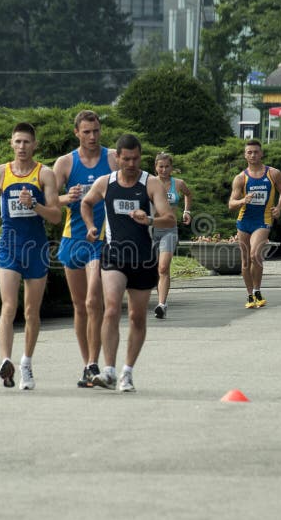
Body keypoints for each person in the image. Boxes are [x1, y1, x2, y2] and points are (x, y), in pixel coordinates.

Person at [80, 134, 175, 392]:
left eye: (135, 158)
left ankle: (127, 372)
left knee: (136, 317)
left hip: (143, 258)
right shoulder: (105, 183)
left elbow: (170, 218)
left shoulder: (151, 183)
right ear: (117, 158)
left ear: (140, 157)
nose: (131, 163)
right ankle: (108, 370)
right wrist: (90, 226)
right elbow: (86, 203)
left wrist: (151, 220)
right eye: (126, 159)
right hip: (113, 256)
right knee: (111, 308)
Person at [0, 122, 61, 391]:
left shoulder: (44, 175)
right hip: (10, 247)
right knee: (9, 306)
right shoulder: (0, 173)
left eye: (27, 142)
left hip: (35, 249)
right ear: (11, 144)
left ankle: (26, 363)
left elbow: (57, 216)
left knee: (30, 311)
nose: (22, 147)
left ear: (35, 145)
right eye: (17, 142)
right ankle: (5, 361)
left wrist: (34, 204)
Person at [52, 110, 117, 388]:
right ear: (76, 132)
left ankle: (94, 361)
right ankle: (87, 365)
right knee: (80, 306)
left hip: (100, 239)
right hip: (72, 238)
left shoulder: (112, 158)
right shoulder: (65, 163)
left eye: (96, 131)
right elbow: (50, 200)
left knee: (93, 301)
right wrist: (68, 197)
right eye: (87, 132)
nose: (92, 137)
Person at [228, 139, 281, 309]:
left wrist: (279, 208)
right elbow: (231, 204)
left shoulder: (273, 174)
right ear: (245, 155)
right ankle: (249, 295)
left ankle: (257, 290)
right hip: (244, 221)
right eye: (249, 152)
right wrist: (242, 201)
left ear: (261, 153)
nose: (253, 155)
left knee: (255, 254)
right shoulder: (240, 178)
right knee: (246, 261)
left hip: (263, 220)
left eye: (256, 152)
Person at [151, 152, 193, 319]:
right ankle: (156, 295)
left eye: (167, 166)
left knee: (163, 267)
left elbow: (188, 194)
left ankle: (162, 304)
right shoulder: (149, 183)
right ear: (155, 167)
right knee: (151, 268)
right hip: (150, 230)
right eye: (160, 166)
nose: (164, 169)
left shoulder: (178, 183)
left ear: (172, 167)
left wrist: (186, 211)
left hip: (169, 230)